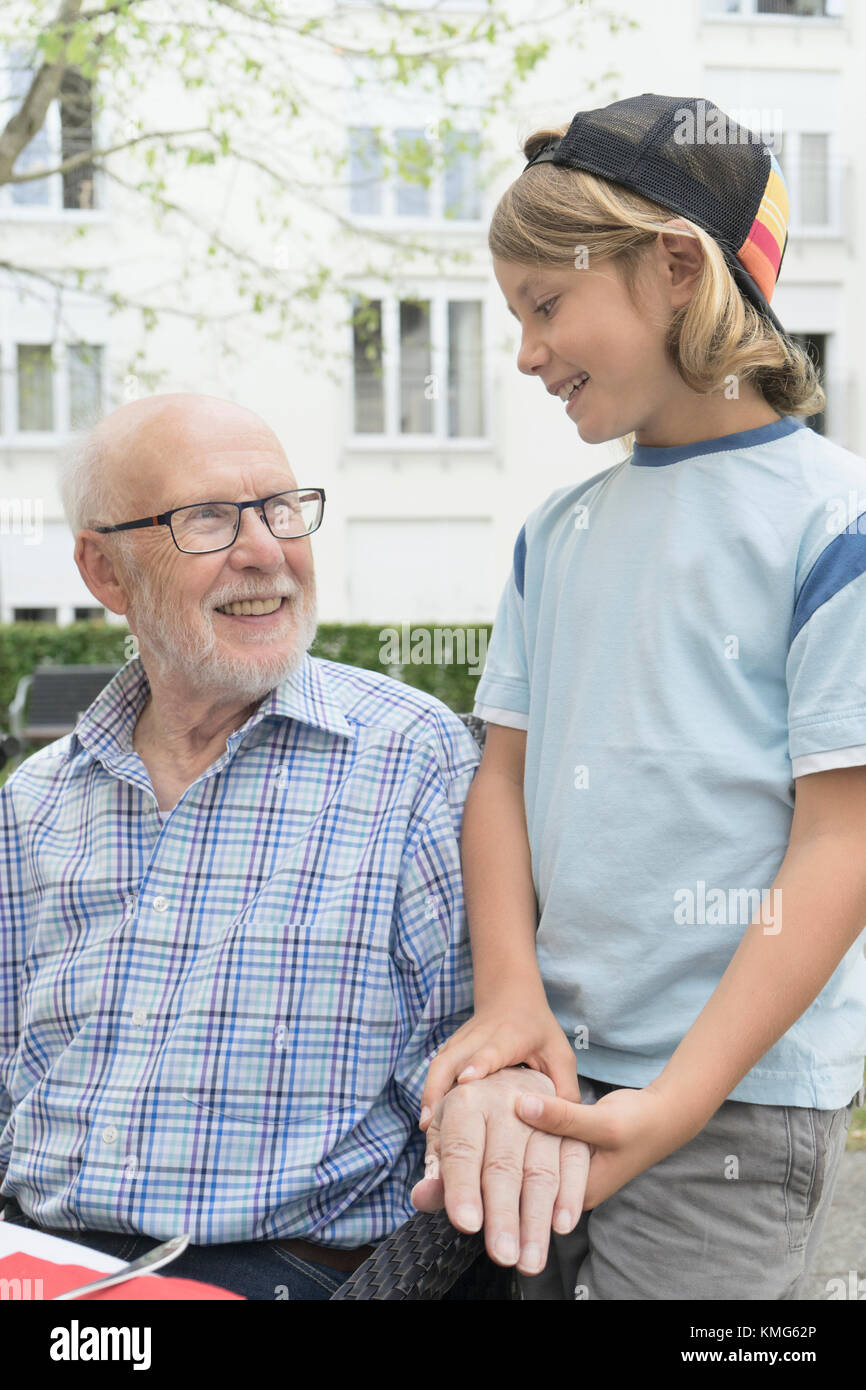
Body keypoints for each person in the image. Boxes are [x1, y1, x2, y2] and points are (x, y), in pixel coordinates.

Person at [418, 94, 866, 1300]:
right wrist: (511, 997)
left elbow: (841, 841)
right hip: (551, 1076)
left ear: (674, 267)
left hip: (727, 1103)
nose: (523, 354)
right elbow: (498, 781)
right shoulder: (551, 535)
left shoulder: (833, 523)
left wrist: (673, 1102)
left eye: (545, 305)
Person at [0, 393, 587, 1299]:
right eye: (207, 519)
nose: (265, 550)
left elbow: (484, 1050)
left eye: (280, 508)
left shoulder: (411, 758)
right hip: (42, 1259)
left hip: (283, 1273)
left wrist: (493, 1095)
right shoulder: (36, 802)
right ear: (105, 572)